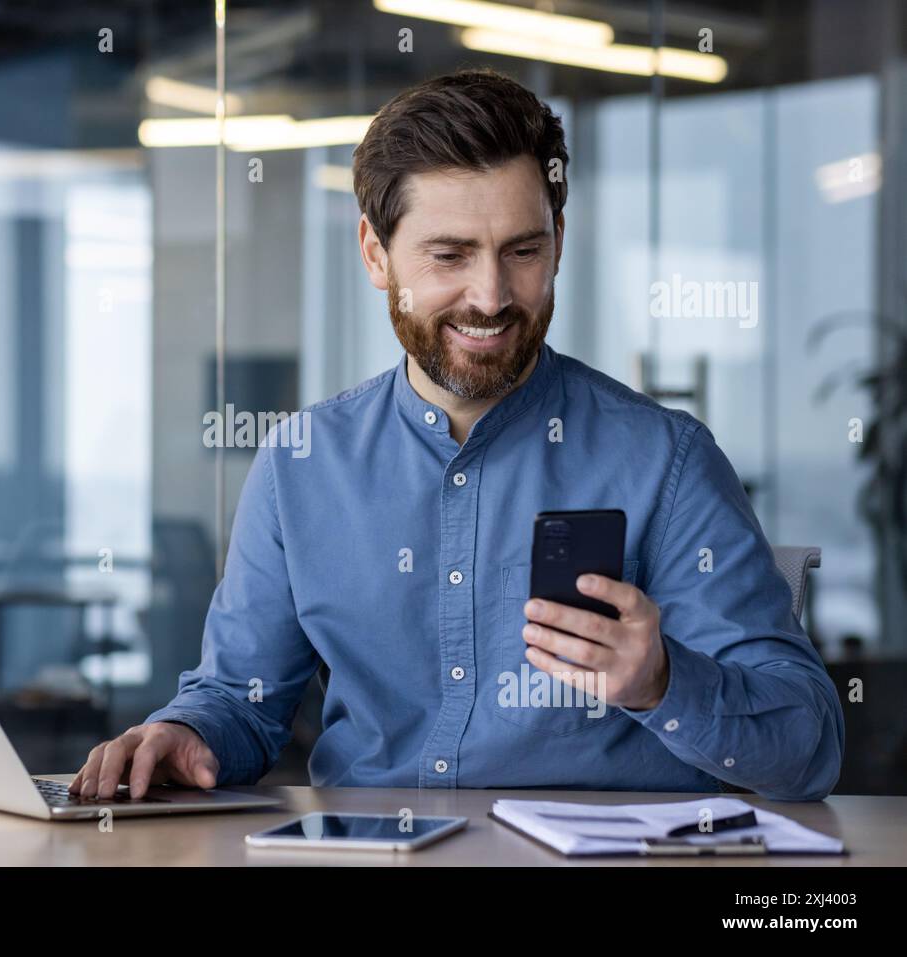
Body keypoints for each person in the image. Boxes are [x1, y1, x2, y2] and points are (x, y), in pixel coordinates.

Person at [71, 68, 844, 803]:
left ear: (559, 241)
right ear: (376, 253)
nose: (492, 295)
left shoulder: (665, 462)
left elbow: (808, 748)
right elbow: (240, 701)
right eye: (450, 255)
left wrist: (664, 681)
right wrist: (185, 732)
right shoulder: (301, 465)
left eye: (524, 250)